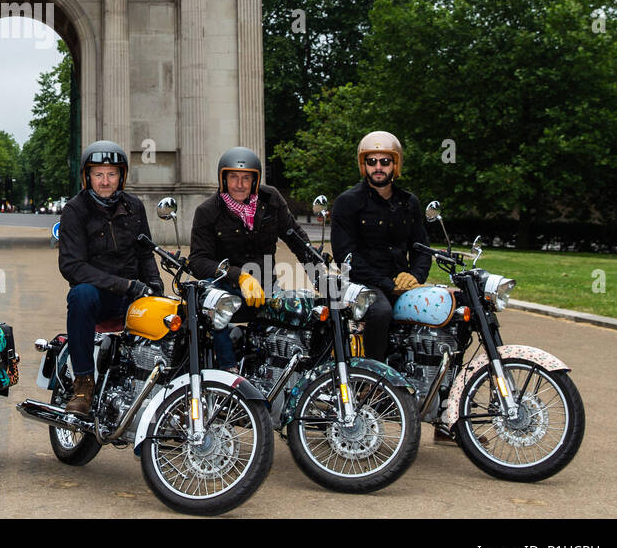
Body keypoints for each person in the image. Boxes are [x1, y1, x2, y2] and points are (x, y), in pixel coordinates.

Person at [57, 140, 162, 416]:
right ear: (87, 176)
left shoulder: (134, 206)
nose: (105, 181)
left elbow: (145, 253)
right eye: (98, 174)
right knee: (81, 294)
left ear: (122, 176)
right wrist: (126, 284)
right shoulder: (74, 210)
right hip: (99, 298)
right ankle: (83, 383)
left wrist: (156, 287)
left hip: (132, 296)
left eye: (112, 174)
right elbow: (72, 266)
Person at [189, 147, 316, 370]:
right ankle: (229, 374)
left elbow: (296, 239)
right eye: (234, 177)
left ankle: (297, 374)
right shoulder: (207, 211)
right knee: (215, 307)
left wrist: (322, 277)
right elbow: (198, 261)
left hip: (267, 284)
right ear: (223, 179)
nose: (240, 184)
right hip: (226, 287)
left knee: (309, 312)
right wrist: (239, 276)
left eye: (246, 178)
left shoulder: (271, 199)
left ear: (255, 180)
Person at [330, 131, 430, 361]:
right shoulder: (348, 202)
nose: (378, 167)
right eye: (371, 161)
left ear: (396, 165)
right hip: (360, 283)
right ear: (363, 165)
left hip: (401, 281)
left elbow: (421, 247)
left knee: (442, 308)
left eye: (385, 161)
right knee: (381, 310)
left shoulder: (409, 202)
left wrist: (414, 277)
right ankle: (372, 375)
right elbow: (346, 255)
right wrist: (388, 284)